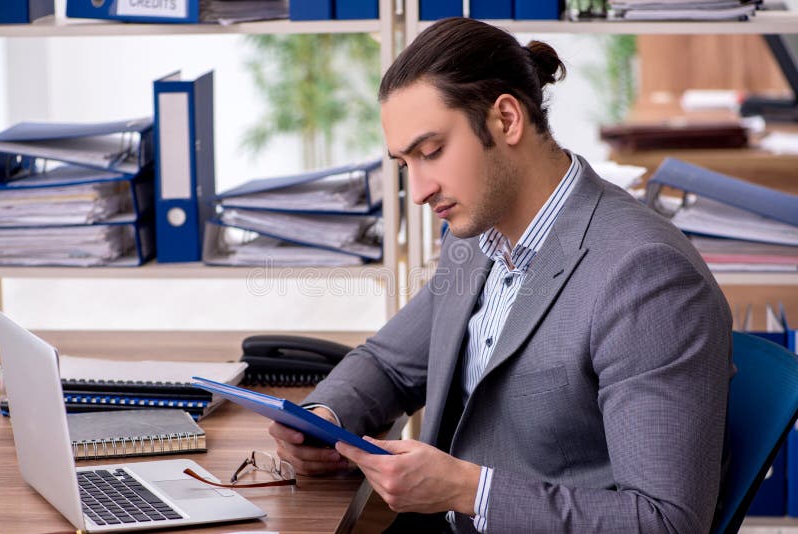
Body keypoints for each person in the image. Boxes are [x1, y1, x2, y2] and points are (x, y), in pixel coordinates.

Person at [269, 17, 733, 533]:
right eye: (405, 165)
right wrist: (325, 418)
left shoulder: (645, 276)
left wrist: (465, 490)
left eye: (431, 152)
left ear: (506, 120)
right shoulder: (475, 236)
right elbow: (390, 363)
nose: (419, 190)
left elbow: (665, 523)